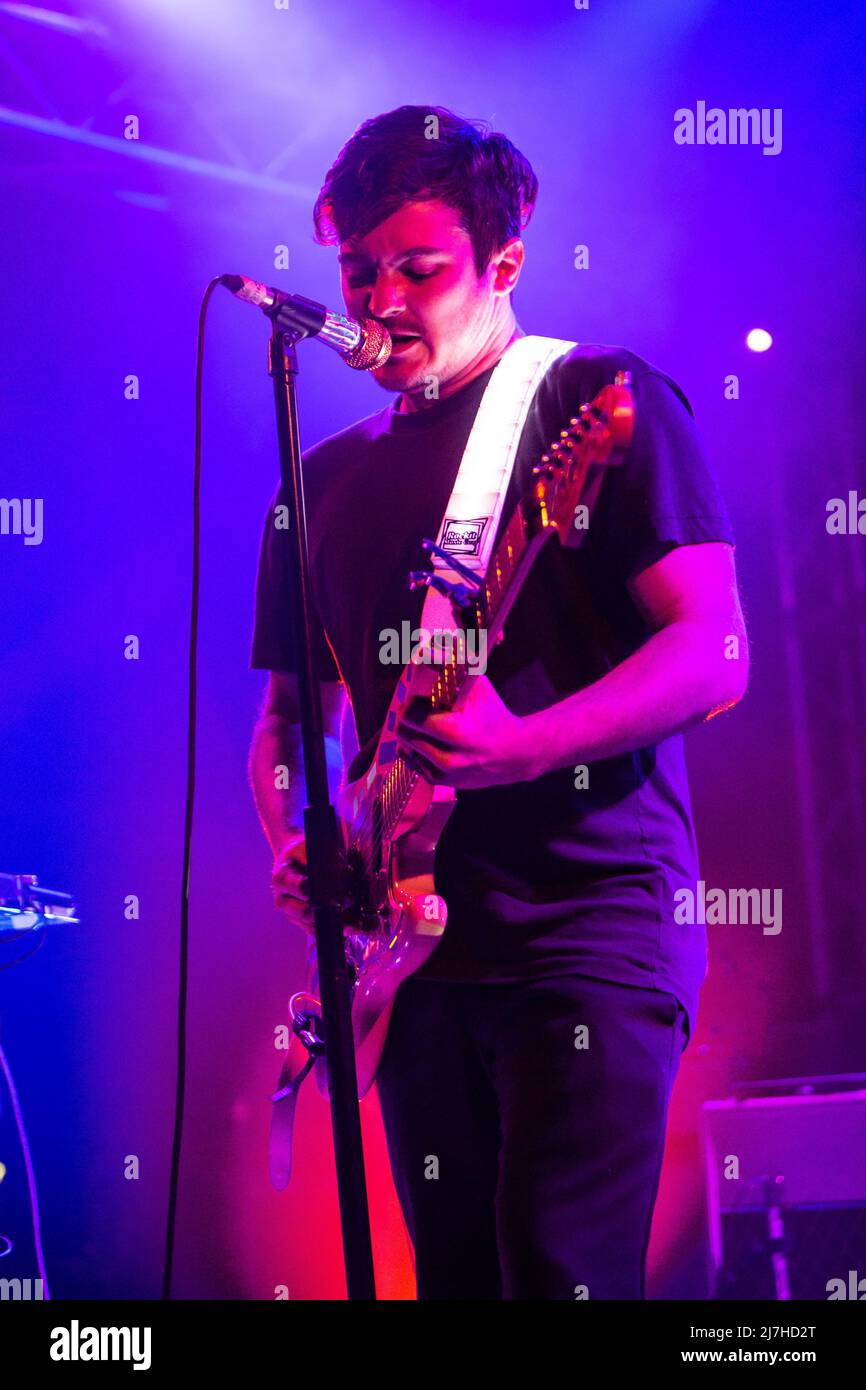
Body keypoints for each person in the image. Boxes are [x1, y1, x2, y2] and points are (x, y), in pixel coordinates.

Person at [248, 105, 749, 1300]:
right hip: (408, 955)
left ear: (503, 264)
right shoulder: (318, 483)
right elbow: (287, 728)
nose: (378, 302)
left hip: (587, 925)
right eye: (358, 271)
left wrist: (525, 747)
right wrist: (299, 836)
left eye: (418, 270)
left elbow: (712, 651)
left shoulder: (594, 399)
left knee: (558, 1267)